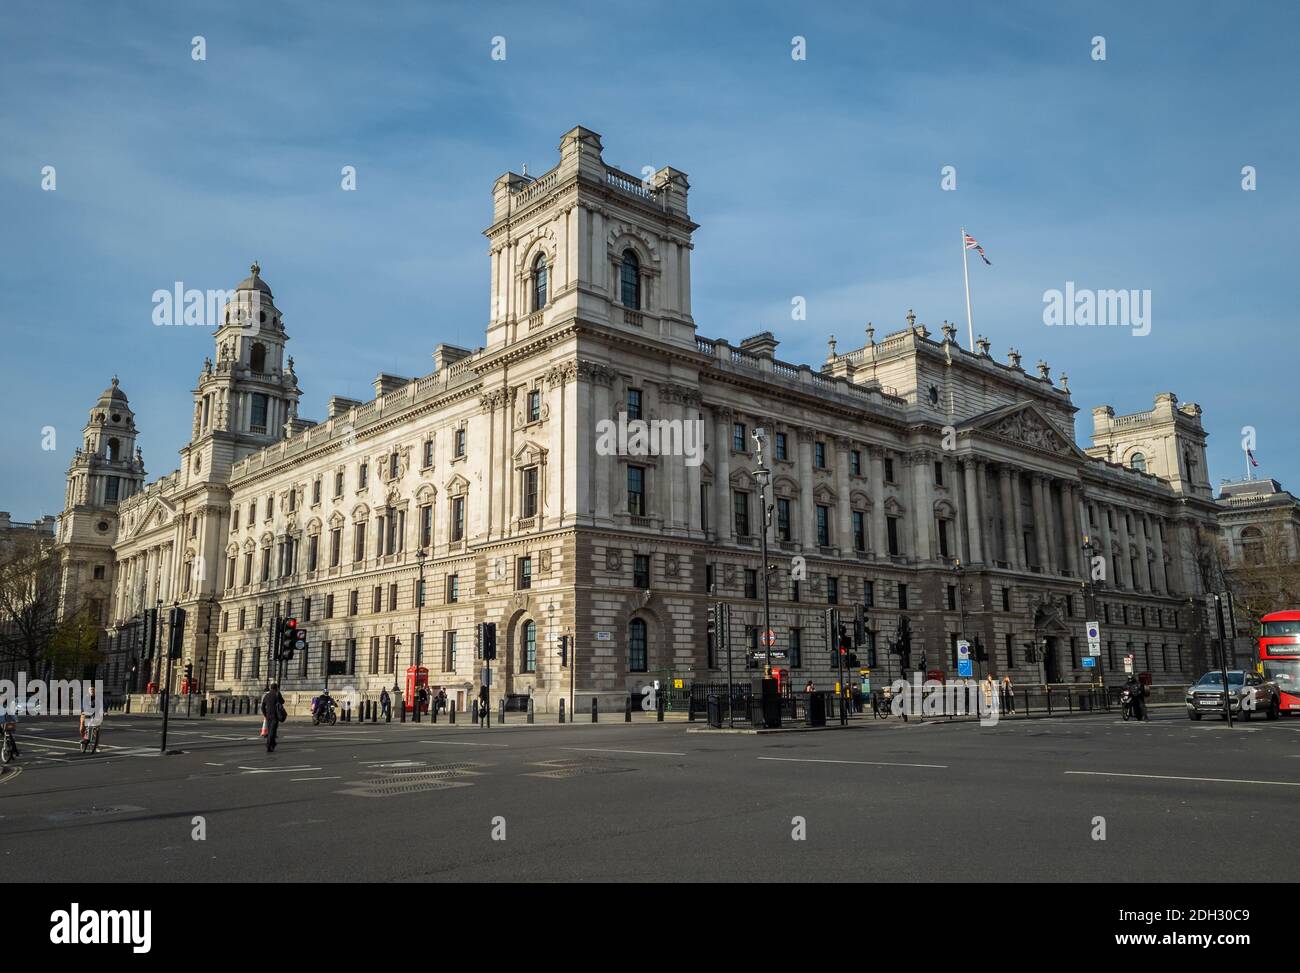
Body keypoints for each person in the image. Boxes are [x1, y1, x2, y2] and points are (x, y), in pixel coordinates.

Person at [261, 681, 285, 752]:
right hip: (275, 715)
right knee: (272, 730)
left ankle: (273, 744)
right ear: (276, 688)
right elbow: (283, 702)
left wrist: (265, 714)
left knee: (271, 730)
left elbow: (262, 707)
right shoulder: (277, 694)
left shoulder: (266, 695)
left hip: (268, 715)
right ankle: (269, 745)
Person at [79, 685, 103, 752]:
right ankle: (84, 738)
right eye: (91, 690)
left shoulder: (98, 698)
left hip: (95, 714)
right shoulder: (86, 698)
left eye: (93, 690)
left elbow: (101, 706)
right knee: (82, 728)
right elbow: (83, 706)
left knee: (97, 728)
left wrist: (104, 711)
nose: (92, 691)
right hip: (86, 713)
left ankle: (97, 745)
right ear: (88, 691)